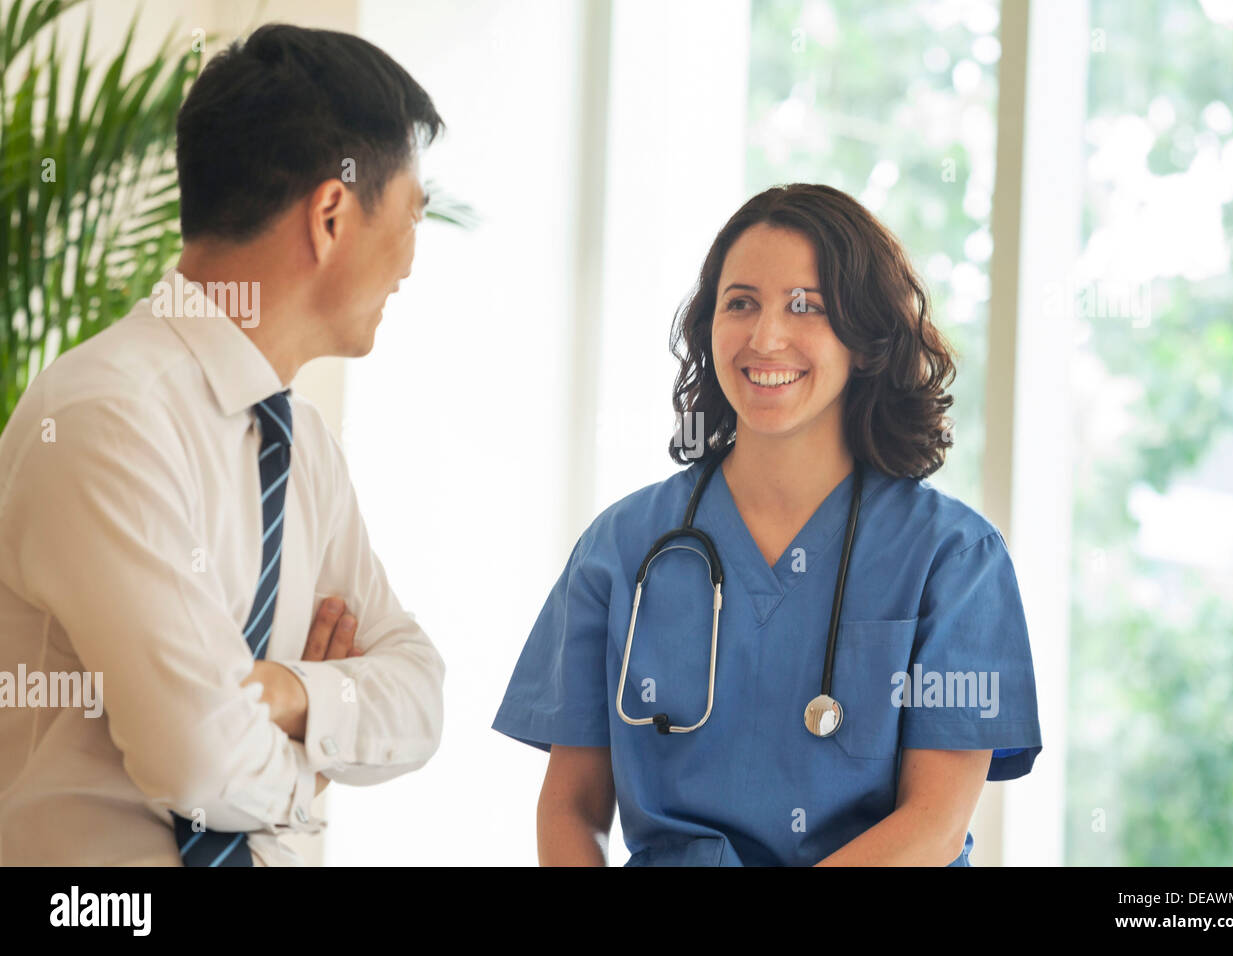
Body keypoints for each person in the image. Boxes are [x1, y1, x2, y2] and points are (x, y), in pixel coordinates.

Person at [492, 183, 1042, 866]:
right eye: (741, 303)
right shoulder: (622, 546)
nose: (766, 336)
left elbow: (933, 823)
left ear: (866, 339)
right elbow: (570, 810)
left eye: (805, 306)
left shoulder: (956, 559)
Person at [0, 24, 445, 866]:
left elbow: (419, 693)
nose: (410, 265)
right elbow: (198, 757)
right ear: (330, 214)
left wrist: (285, 693)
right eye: (412, 216)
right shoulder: (108, 418)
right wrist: (309, 774)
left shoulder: (300, 443)